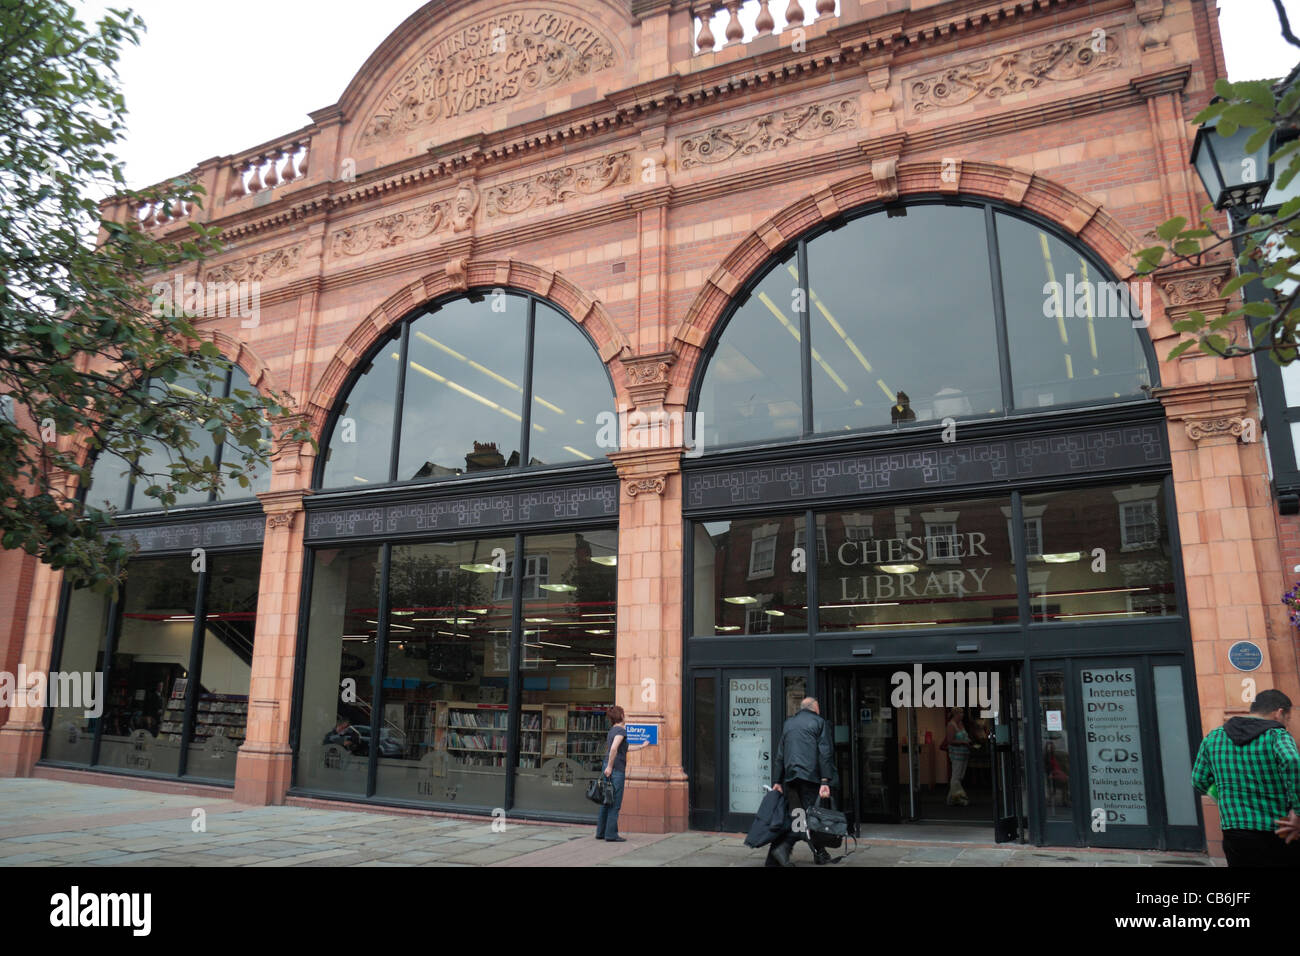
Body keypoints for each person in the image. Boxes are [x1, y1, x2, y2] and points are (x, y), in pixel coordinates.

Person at [1191, 689, 1300, 867]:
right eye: (1288, 718)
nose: (1287, 724)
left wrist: (1228, 796)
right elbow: (1292, 760)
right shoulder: (1277, 735)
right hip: (1279, 829)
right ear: (1279, 713)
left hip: (1235, 831)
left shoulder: (1214, 737)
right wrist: (1298, 810)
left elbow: (1198, 780)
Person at [768, 696, 837, 866]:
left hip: (791, 777)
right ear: (815, 708)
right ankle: (784, 848)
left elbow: (780, 755)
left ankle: (819, 853)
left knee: (799, 816)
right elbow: (825, 753)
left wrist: (777, 780)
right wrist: (825, 780)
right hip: (811, 778)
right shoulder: (819, 722)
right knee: (813, 816)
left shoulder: (789, 724)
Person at [595, 705, 649, 843]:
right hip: (616, 769)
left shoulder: (613, 730)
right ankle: (611, 834)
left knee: (606, 800)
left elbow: (624, 748)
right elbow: (614, 749)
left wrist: (642, 746)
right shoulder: (621, 730)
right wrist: (611, 767)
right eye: (624, 714)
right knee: (615, 803)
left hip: (607, 766)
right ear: (621, 716)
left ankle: (601, 832)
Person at [945, 708, 971, 807]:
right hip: (956, 755)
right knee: (956, 776)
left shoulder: (961, 724)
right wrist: (963, 742)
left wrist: (968, 741)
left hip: (964, 753)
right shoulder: (951, 725)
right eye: (961, 713)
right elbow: (950, 741)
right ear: (955, 714)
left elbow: (964, 736)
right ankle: (960, 798)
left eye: (963, 713)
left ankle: (951, 798)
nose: (962, 715)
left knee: (960, 776)